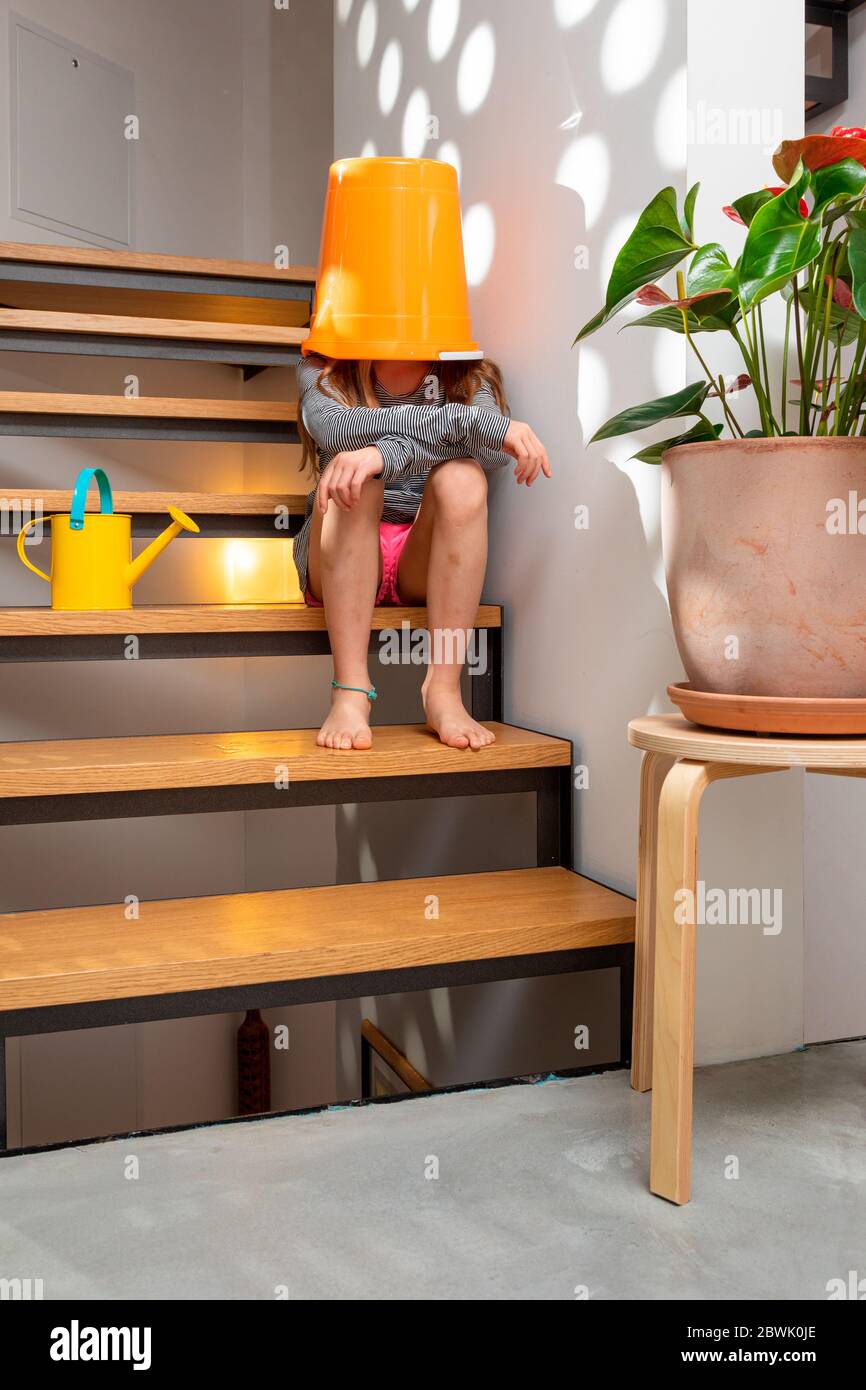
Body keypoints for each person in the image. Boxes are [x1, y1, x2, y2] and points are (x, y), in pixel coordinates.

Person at [294, 353, 550, 751]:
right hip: (341, 544)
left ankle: (444, 691)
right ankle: (350, 690)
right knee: (360, 482)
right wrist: (461, 424)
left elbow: (493, 451)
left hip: (420, 553)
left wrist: (385, 452)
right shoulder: (325, 367)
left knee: (464, 477)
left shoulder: (465, 373)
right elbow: (337, 430)